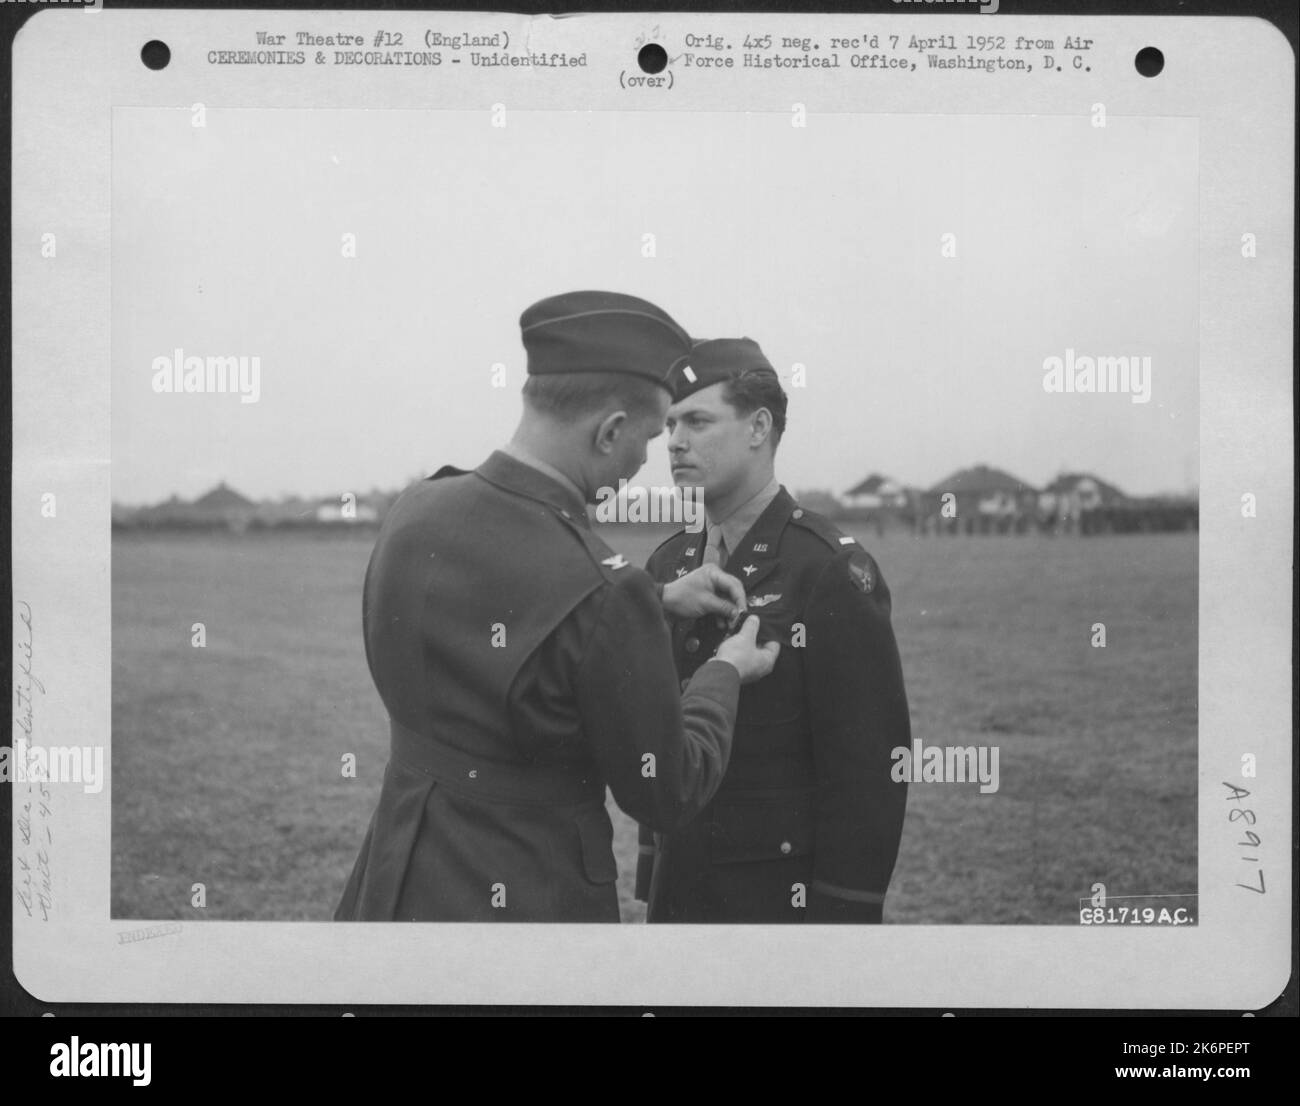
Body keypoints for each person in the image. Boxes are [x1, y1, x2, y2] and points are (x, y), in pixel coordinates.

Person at [334, 292, 779, 923]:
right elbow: (666, 790)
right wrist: (724, 671)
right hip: (526, 908)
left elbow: (514, 608)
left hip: (395, 877)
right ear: (609, 431)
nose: (647, 461)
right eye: (650, 438)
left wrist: (656, 601)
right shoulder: (603, 590)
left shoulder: (416, 508)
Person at [635, 337, 910, 923]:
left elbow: (868, 767)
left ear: (759, 427)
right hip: (681, 891)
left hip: (778, 901)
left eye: (698, 422)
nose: (675, 441)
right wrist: (652, 863)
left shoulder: (829, 569)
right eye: (669, 425)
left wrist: (845, 914)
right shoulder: (668, 568)